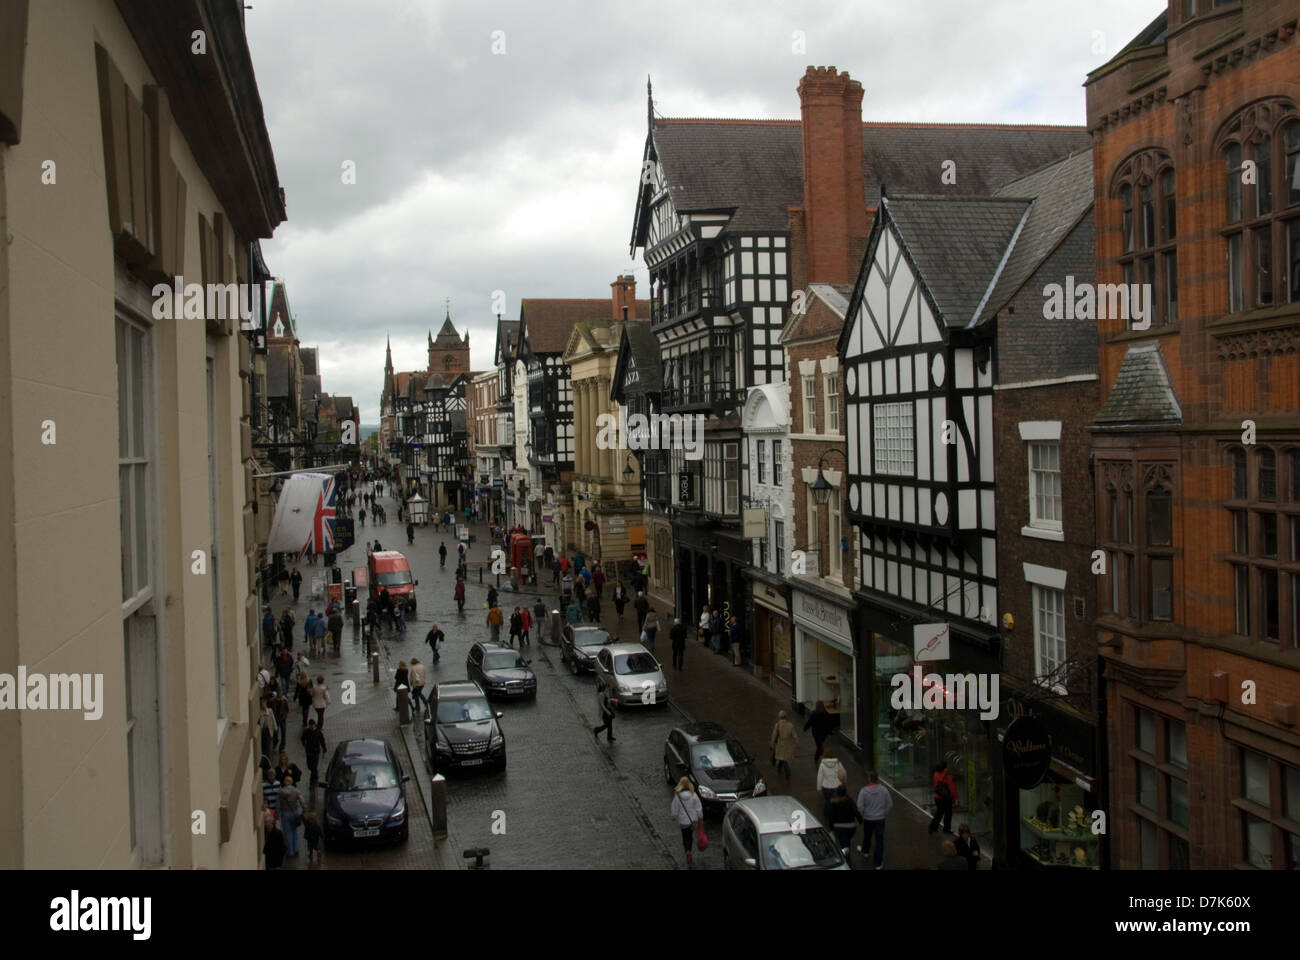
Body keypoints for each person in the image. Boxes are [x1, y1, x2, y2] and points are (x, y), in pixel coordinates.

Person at [856, 769, 893, 869]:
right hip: (880, 819)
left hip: (868, 818)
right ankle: (878, 863)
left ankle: (865, 851)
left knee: (867, 835)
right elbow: (889, 804)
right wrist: (884, 813)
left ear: (869, 779)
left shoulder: (863, 791)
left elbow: (859, 806)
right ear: (877, 779)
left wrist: (864, 813)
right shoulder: (884, 790)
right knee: (879, 840)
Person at [670, 776, 705, 866]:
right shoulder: (694, 795)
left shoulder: (677, 796)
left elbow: (674, 808)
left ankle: (687, 851)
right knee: (690, 836)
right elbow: (698, 808)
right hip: (693, 821)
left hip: (683, 822)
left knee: (685, 837)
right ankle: (689, 850)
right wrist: (700, 817)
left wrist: (673, 816)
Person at [816, 746, 848, 824]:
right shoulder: (838, 763)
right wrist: (844, 782)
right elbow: (844, 773)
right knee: (837, 801)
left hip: (826, 787)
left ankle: (826, 815)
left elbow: (820, 776)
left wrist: (819, 788)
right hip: (837, 786)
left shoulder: (822, 764)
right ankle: (837, 815)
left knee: (828, 801)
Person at [828, 785, 860, 855]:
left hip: (839, 827)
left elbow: (831, 815)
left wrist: (831, 827)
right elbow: (856, 812)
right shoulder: (850, 801)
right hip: (851, 827)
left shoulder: (833, 802)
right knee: (846, 842)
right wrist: (860, 820)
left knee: (844, 845)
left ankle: (847, 861)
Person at [929, 761, 957, 836]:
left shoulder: (935, 774)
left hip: (937, 797)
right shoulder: (947, 776)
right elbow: (951, 788)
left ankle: (933, 827)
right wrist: (954, 798)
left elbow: (937, 784)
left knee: (939, 813)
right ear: (945, 768)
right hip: (946, 798)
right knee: (948, 813)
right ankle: (946, 829)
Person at [279, 775, 304, 858]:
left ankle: (290, 851)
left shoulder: (281, 792)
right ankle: (296, 848)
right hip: (294, 813)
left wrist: (276, 814)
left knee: (287, 833)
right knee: (294, 831)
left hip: (285, 813)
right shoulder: (296, 791)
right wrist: (303, 810)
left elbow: (277, 804)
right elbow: (302, 801)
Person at [804, 701, 836, 767]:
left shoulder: (814, 714)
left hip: (817, 733)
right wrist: (830, 730)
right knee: (820, 746)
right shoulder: (825, 713)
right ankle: (820, 759)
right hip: (822, 733)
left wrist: (805, 728)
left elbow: (809, 722)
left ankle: (817, 758)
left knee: (819, 746)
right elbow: (829, 723)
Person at [769, 710, 798, 780]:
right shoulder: (790, 725)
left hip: (780, 744)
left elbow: (774, 735)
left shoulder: (777, 725)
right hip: (788, 744)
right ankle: (779, 769)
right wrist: (795, 742)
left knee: (783, 758)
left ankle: (788, 772)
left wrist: (771, 744)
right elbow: (795, 736)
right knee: (783, 758)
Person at [301, 718, 326, 788]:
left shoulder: (318, 732)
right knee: (310, 766)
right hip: (309, 752)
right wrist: (304, 745)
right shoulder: (306, 732)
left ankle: (312, 782)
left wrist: (324, 749)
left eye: (313, 725)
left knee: (314, 766)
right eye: (310, 725)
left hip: (316, 752)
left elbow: (322, 740)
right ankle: (315, 776)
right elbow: (302, 738)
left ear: (315, 725)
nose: (312, 726)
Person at [271, 687, 290, 751]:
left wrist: (284, 716)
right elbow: (272, 709)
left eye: (280, 693)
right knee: (275, 732)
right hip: (276, 718)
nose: (280, 694)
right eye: (279, 693)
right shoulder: (273, 700)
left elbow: (287, 709)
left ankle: (282, 746)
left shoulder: (284, 700)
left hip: (282, 719)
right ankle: (275, 742)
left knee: (283, 733)